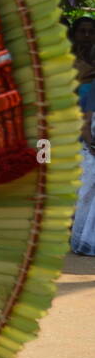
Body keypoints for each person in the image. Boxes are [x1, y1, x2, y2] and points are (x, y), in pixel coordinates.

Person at [70, 18, 95, 255]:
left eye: (91, 32)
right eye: (82, 31)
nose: (86, 35)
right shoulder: (66, 64)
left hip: (84, 137)